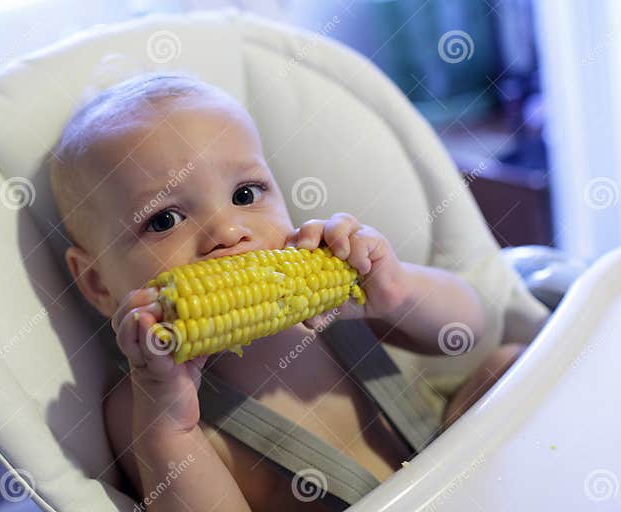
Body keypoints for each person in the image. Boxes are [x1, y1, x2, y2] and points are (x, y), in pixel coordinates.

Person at [49, 71, 526, 512]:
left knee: (508, 361)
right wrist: (169, 423)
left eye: (245, 194)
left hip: (456, 474)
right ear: (97, 284)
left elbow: (467, 330)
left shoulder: (335, 300)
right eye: (164, 219)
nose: (228, 231)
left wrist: (396, 291)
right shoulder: (143, 403)